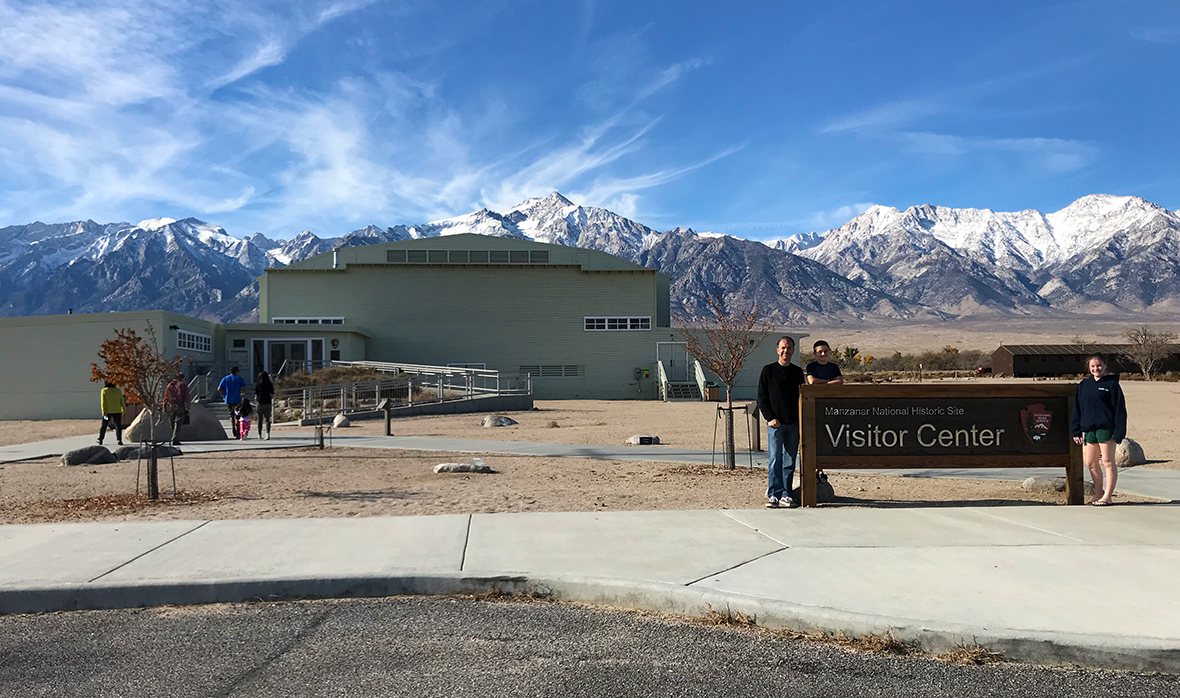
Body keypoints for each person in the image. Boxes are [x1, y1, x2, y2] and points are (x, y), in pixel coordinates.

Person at [1070, 353, 1127, 506]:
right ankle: (1097, 493)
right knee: (1090, 462)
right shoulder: (1084, 385)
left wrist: (1119, 432)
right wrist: (1075, 430)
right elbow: (1078, 408)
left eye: (1099, 365)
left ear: (1105, 366)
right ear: (1089, 368)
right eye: (1093, 366)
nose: (1096, 368)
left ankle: (1107, 496)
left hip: (1106, 429)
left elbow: (1120, 410)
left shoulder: (1112, 385)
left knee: (1108, 462)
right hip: (1089, 430)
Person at [757, 336, 806, 508]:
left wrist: (801, 419)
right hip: (775, 424)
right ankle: (774, 494)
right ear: (778, 350)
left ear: (793, 350)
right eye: (783, 348)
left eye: (789, 348)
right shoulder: (768, 371)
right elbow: (762, 398)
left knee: (789, 461)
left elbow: (802, 398)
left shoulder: (797, 372)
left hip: (793, 423)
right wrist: (770, 417)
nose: (786, 351)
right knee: (775, 460)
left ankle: (786, 493)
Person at [163, 372, 190, 446]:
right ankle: (175, 439)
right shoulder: (183, 386)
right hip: (180, 405)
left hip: (171, 405)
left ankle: (173, 437)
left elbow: (166, 396)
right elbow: (186, 397)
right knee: (178, 423)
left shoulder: (170, 386)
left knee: (172, 422)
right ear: (182, 378)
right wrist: (188, 408)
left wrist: (164, 407)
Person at [218, 366, 246, 438]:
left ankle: (233, 427)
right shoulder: (239, 379)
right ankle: (238, 430)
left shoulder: (225, 378)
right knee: (238, 415)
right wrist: (243, 394)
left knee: (231, 414)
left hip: (228, 399)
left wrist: (223, 396)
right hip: (237, 399)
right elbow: (244, 389)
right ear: (237, 372)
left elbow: (219, 389)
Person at [97, 381, 125, 446]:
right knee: (118, 425)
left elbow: (103, 402)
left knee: (104, 425)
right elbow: (122, 400)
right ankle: (119, 440)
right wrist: (123, 409)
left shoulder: (104, 391)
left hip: (107, 411)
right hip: (117, 410)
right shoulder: (118, 390)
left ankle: (100, 439)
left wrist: (103, 411)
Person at [255, 371, 275, 440]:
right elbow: (272, 394)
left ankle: (259, 434)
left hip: (260, 402)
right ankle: (267, 433)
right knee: (267, 419)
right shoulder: (269, 384)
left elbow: (256, 394)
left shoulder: (258, 384)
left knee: (259, 419)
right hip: (268, 402)